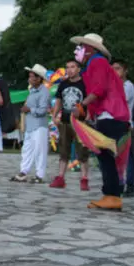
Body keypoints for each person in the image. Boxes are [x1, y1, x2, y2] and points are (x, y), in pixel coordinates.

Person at [71, 32, 130, 212]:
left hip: (111, 115)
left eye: (81, 47)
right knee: (106, 156)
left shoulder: (97, 62)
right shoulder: (94, 65)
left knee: (106, 156)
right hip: (109, 115)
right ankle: (111, 194)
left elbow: (99, 89)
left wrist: (82, 105)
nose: (78, 50)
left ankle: (112, 195)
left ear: (90, 49)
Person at [50, 59, 89, 191]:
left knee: (82, 151)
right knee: (63, 150)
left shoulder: (85, 83)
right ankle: (60, 177)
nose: (70, 70)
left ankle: (84, 179)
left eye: (73, 67)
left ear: (78, 69)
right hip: (65, 121)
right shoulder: (63, 84)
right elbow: (59, 101)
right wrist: (54, 115)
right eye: (67, 67)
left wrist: (88, 117)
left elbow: (90, 101)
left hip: (80, 122)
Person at [11, 65, 50, 183]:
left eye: (32, 77)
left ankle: (39, 175)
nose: (30, 79)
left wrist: (29, 109)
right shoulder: (31, 91)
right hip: (30, 125)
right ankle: (23, 172)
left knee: (40, 151)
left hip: (39, 126)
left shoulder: (44, 92)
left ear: (39, 79)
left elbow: (43, 110)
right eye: (30, 76)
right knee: (26, 149)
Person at [113, 61, 134, 196]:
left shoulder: (128, 86)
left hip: (125, 125)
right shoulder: (112, 85)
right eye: (113, 69)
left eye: (118, 68)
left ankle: (131, 185)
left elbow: (118, 100)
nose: (115, 71)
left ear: (125, 71)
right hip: (113, 125)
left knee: (128, 158)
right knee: (116, 157)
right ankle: (119, 183)